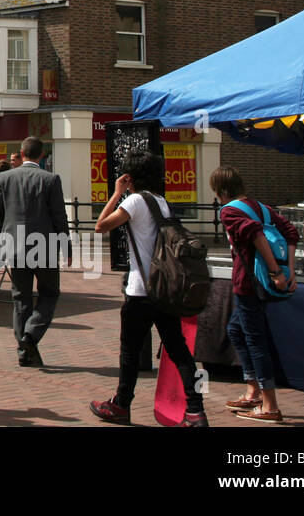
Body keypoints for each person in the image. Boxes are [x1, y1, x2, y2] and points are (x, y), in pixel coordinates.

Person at [89, 149, 207, 425]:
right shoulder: (162, 202)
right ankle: (195, 410)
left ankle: (120, 405)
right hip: (164, 288)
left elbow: (100, 226)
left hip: (141, 289)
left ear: (130, 177)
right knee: (178, 351)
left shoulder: (135, 202)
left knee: (129, 350)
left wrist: (118, 193)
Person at [216, 165, 299, 423]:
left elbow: (255, 234)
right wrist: (290, 270)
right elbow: (291, 232)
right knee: (236, 330)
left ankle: (270, 404)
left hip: (249, 282)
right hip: (262, 282)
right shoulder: (261, 207)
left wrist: (276, 271)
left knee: (254, 339)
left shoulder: (229, 211)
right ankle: (253, 390)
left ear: (222, 190)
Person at [0, 136, 69, 368]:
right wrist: (66, 245)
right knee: (49, 293)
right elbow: (59, 216)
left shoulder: (5, 177)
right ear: (41, 155)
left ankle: (24, 350)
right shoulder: (51, 179)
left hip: (15, 245)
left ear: (21, 153)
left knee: (20, 298)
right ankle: (30, 336)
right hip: (44, 244)